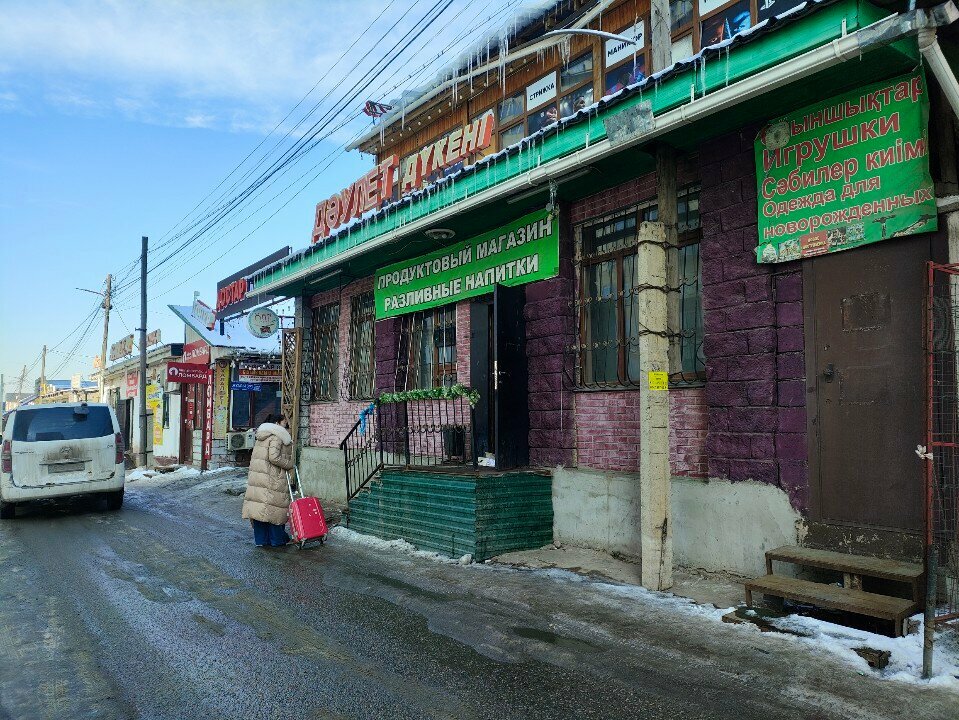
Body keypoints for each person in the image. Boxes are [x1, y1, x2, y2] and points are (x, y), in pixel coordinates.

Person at [242, 414, 295, 547]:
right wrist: (289, 464)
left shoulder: (262, 435)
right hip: (272, 478)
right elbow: (274, 457)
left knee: (260, 510)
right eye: (284, 422)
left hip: (259, 478)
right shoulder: (277, 436)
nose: (286, 425)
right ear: (277, 423)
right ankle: (277, 540)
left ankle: (261, 541)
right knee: (275, 510)